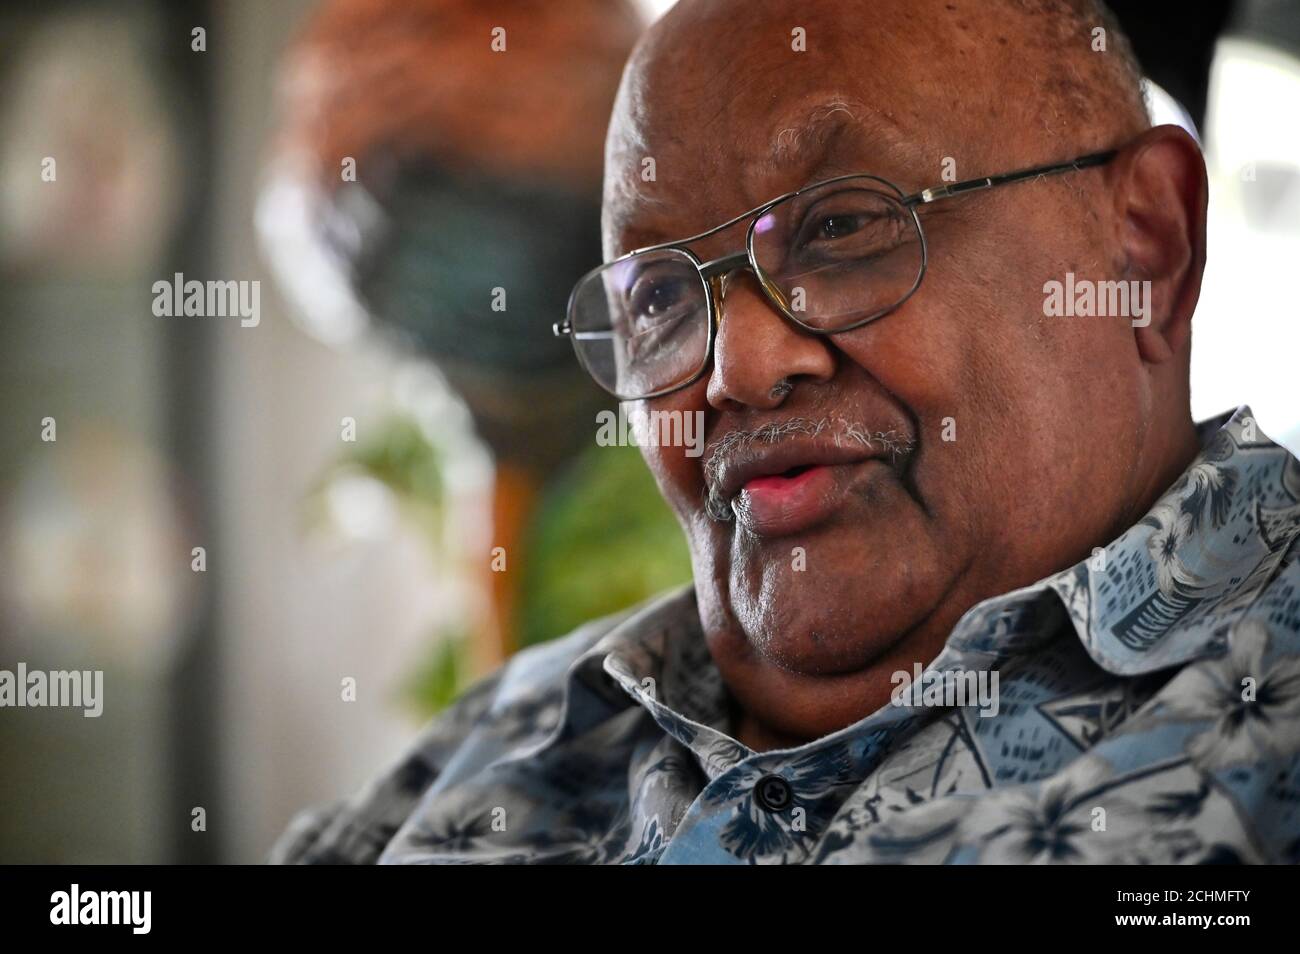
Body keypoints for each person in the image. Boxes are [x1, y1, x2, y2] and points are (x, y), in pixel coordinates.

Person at [271, 0, 1300, 864]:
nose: (738, 366)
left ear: (1147, 245)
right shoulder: (492, 748)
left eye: (842, 225)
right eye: (662, 297)